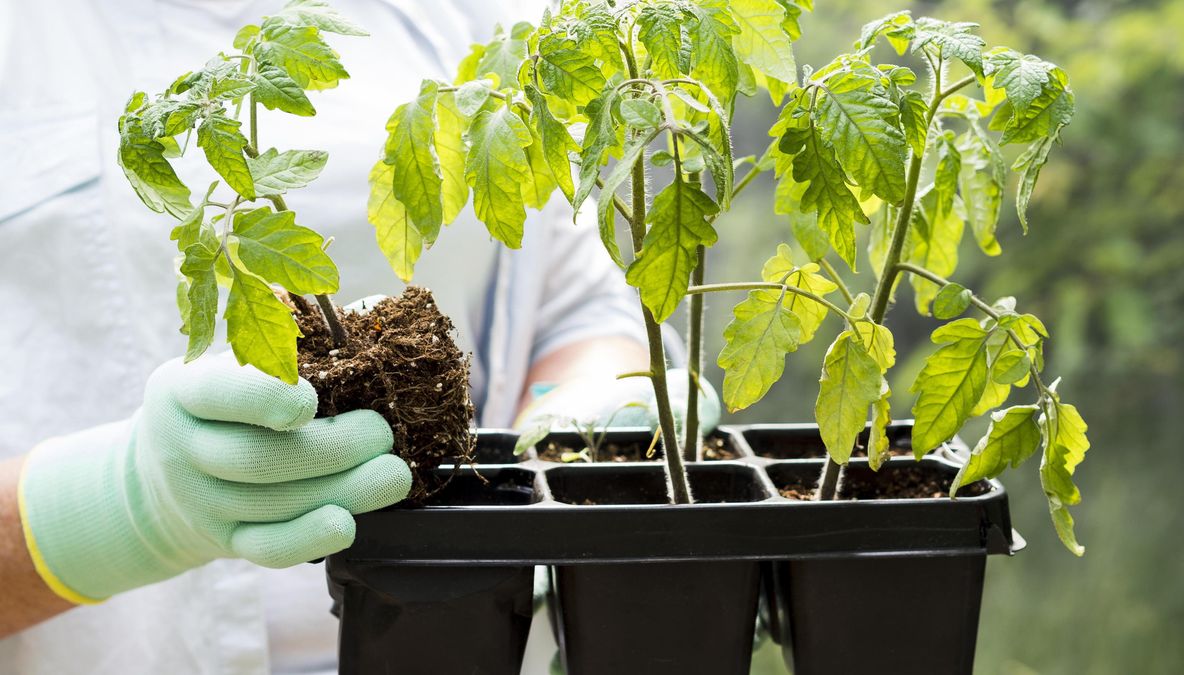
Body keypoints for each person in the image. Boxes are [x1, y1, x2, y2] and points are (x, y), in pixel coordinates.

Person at [0, 1, 717, 673]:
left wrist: (588, 405)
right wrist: (123, 503)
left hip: (466, 632)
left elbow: (574, 296)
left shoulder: (492, 17)